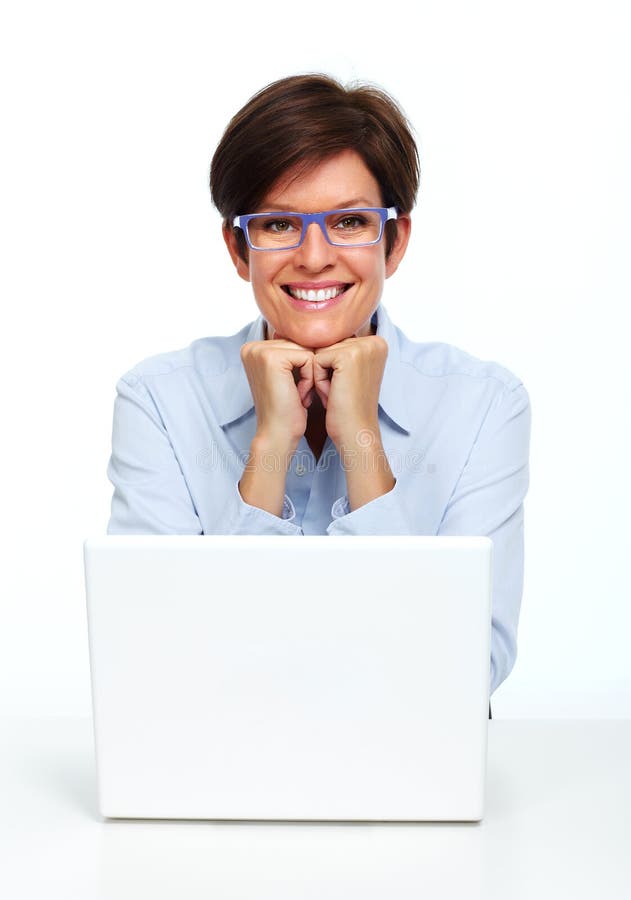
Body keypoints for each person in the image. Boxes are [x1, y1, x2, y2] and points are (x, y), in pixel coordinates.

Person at [106, 74, 531, 698]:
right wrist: (270, 445)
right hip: (210, 772)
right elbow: (152, 660)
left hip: (407, 774)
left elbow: (466, 673)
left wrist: (361, 441)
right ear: (237, 246)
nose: (313, 257)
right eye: (279, 225)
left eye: (350, 222)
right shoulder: (159, 401)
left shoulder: (485, 405)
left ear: (394, 242)